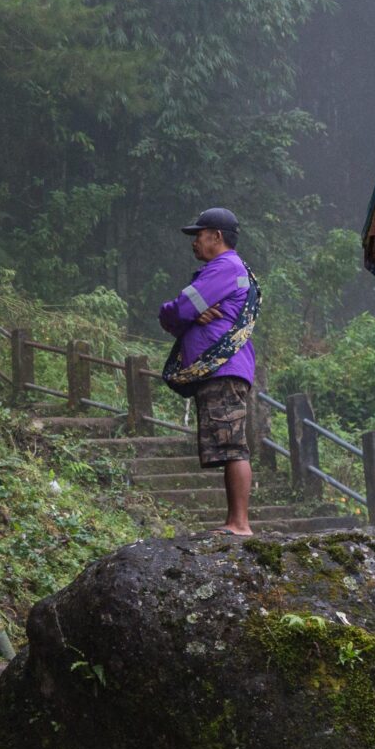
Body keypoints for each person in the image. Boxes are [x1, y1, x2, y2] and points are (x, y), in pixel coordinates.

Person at [158, 207, 260, 537]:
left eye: (199, 235)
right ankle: (236, 520)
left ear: (216, 236)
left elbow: (181, 309)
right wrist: (185, 317)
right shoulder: (228, 269)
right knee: (229, 444)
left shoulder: (224, 267)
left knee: (232, 446)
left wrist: (179, 316)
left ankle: (239, 524)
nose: (194, 242)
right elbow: (185, 313)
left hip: (223, 370)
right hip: (224, 370)